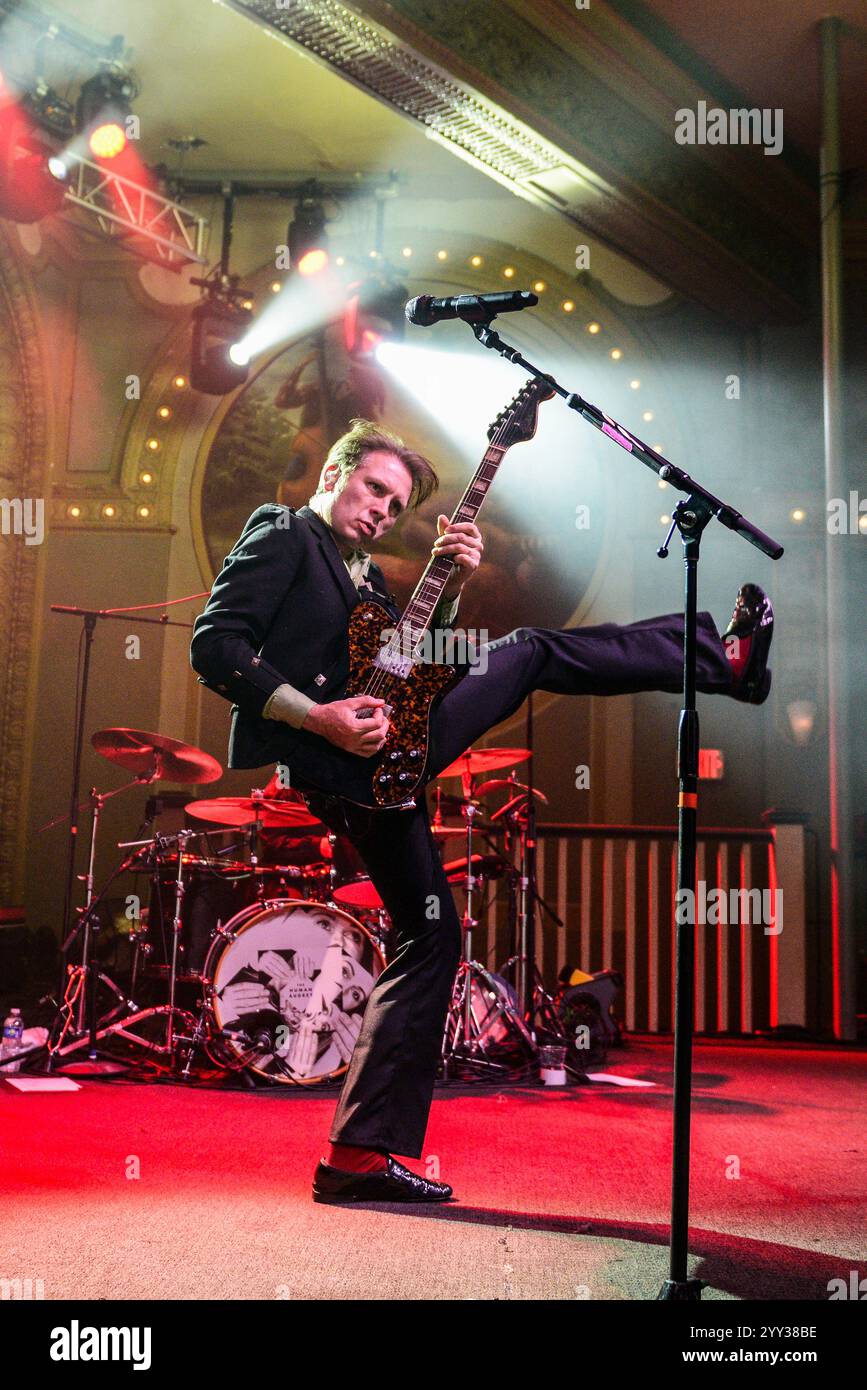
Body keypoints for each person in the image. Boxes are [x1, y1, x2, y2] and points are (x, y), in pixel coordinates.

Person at [190, 418, 774, 1205]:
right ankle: (719, 660)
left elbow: (404, 665)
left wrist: (451, 585)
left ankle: (356, 1159)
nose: (381, 511)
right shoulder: (284, 534)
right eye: (373, 490)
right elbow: (216, 645)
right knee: (529, 649)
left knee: (430, 938)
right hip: (335, 756)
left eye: (395, 505)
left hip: (381, 767)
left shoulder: (360, 575)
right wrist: (315, 717)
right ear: (333, 473)